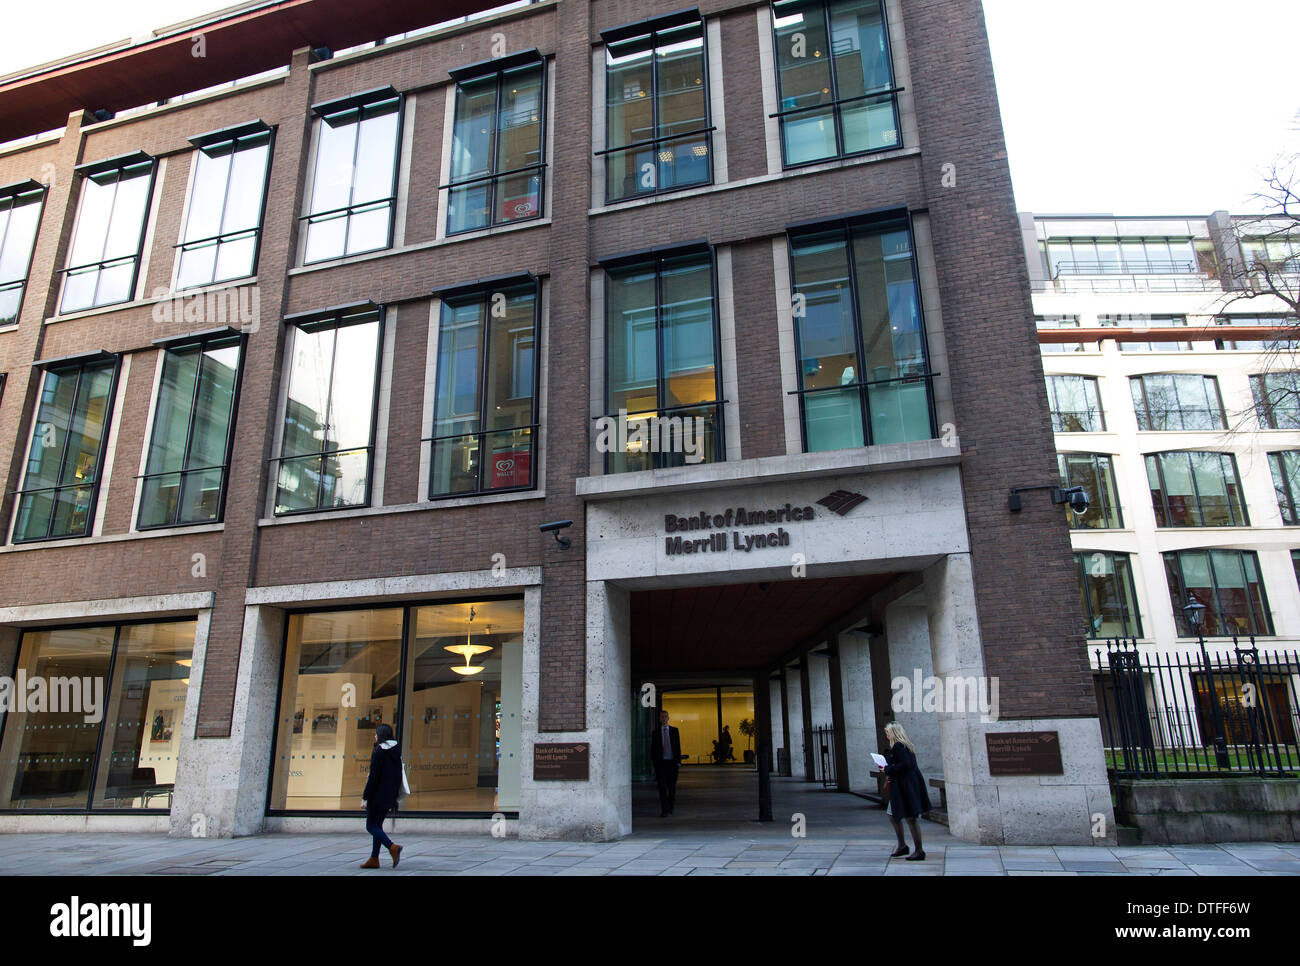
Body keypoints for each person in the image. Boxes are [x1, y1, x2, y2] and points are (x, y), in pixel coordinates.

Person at [882, 721, 931, 861]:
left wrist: (887, 769)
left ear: (893, 733)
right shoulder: (902, 746)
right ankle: (902, 845)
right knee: (892, 813)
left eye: (887, 732)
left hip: (907, 786)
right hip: (903, 785)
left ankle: (919, 850)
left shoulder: (899, 746)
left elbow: (905, 765)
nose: (886, 735)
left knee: (911, 817)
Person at [360, 722, 404, 869]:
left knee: (371, 826)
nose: (374, 736)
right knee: (378, 825)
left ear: (381, 736)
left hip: (377, 795)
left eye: (376, 734)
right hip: (389, 796)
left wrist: (366, 796)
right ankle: (374, 858)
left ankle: (392, 847)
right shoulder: (396, 751)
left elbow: (374, 776)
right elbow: (398, 775)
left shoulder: (379, 751)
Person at [649, 709, 682, 816]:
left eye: (665, 717)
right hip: (661, 765)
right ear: (659, 719)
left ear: (668, 718)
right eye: (662, 717)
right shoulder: (655, 733)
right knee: (662, 789)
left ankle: (670, 806)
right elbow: (653, 749)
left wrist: (678, 762)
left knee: (672, 789)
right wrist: (655, 765)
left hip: (672, 764)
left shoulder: (674, 731)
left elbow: (678, 747)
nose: (664, 719)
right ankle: (664, 810)